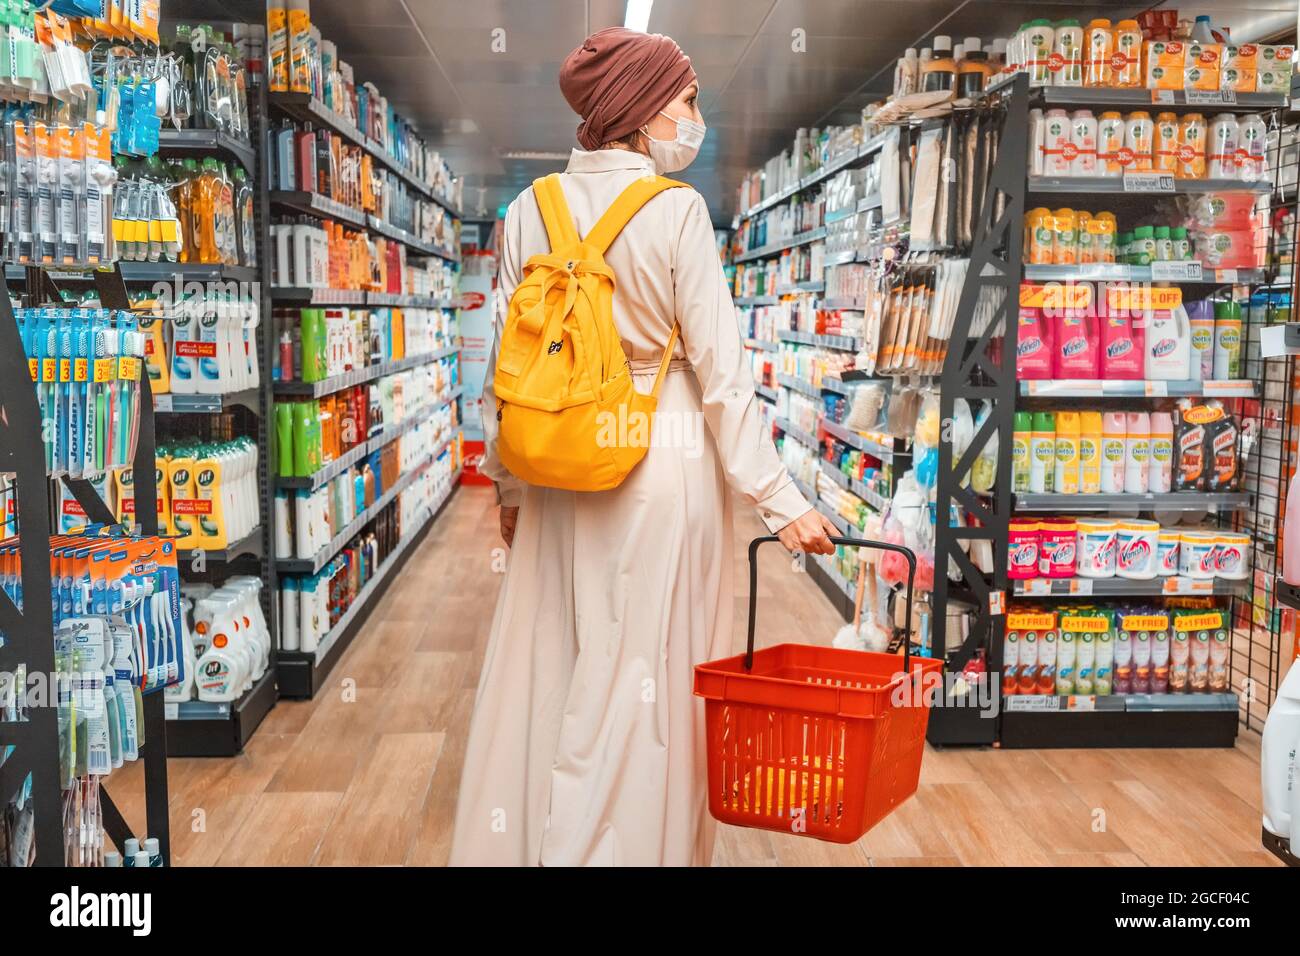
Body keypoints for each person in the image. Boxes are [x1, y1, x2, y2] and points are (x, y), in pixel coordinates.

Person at [449, 26, 835, 867]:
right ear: (642, 107)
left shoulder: (528, 211)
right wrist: (784, 501)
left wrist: (509, 491)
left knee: (552, 668)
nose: (697, 119)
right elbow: (725, 377)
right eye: (688, 101)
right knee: (649, 685)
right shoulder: (675, 211)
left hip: (557, 468)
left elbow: (502, 377)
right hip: (663, 467)